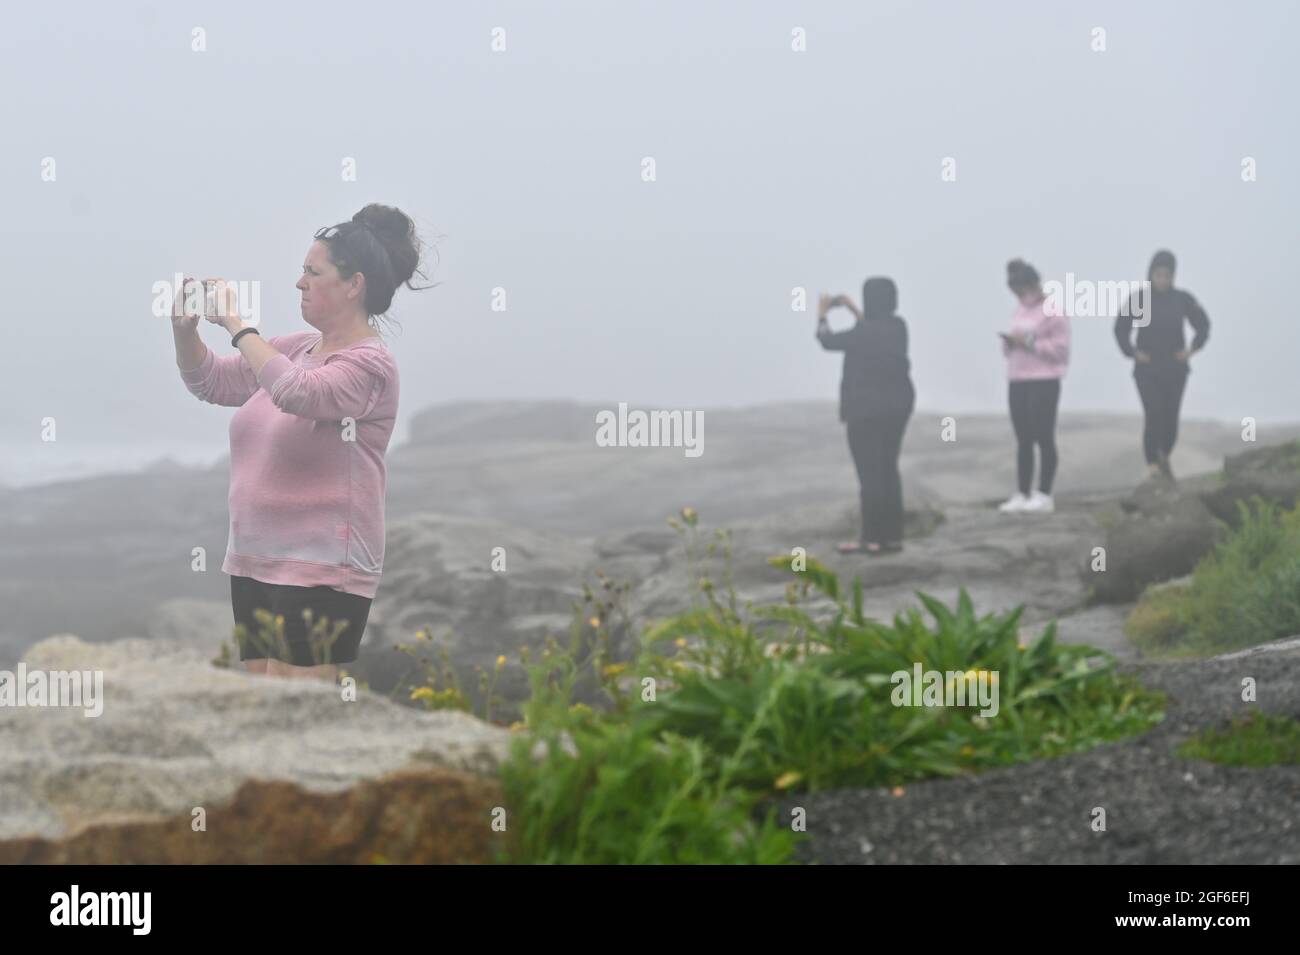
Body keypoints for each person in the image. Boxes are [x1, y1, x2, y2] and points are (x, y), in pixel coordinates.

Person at [172, 203, 426, 682]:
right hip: (253, 559)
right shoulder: (294, 349)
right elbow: (212, 383)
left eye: (313, 272)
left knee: (299, 718)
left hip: (323, 566)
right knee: (262, 711)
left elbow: (297, 392)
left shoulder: (370, 366)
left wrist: (235, 324)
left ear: (354, 285)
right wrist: (184, 332)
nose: (300, 282)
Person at [816, 277, 916, 555]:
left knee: (869, 475)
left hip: (865, 412)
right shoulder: (898, 327)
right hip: (897, 409)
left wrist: (822, 314)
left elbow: (826, 340)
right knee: (888, 469)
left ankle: (871, 538)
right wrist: (853, 310)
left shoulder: (861, 334)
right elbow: (870, 329)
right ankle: (892, 537)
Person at [1114, 249, 1210, 482]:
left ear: (1173, 276)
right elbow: (1120, 328)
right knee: (1154, 413)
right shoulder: (1139, 299)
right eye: (1158, 274)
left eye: (1167, 275)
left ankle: (1163, 456)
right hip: (1147, 370)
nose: (1163, 279)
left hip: (1175, 369)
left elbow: (1203, 325)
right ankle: (1153, 465)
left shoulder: (1183, 299)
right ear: (1151, 274)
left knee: (1170, 418)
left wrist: (1191, 350)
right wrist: (1132, 353)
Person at [997, 259, 1070, 514]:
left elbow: (1061, 351)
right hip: (1018, 378)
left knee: (1044, 436)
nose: (1019, 294)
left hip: (1044, 380)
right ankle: (1023, 491)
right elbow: (1011, 347)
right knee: (1023, 438)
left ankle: (1044, 493)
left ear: (1032, 284)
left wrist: (1028, 342)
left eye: (1021, 289)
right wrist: (1009, 343)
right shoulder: (1019, 311)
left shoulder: (1053, 310)